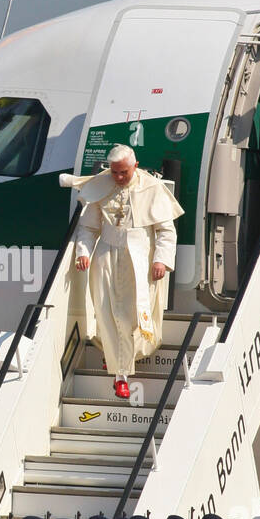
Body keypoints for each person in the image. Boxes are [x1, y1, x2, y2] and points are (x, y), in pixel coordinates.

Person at [62, 145, 183, 399]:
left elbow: (166, 231)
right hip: (106, 255)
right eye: (114, 172)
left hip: (139, 258)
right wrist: (83, 251)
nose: (117, 178)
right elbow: (88, 228)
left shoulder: (151, 188)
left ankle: (119, 361)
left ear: (135, 166)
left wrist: (161, 260)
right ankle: (120, 375)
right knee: (106, 311)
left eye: (123, 173)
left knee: (132, 316)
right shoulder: (101, 185)